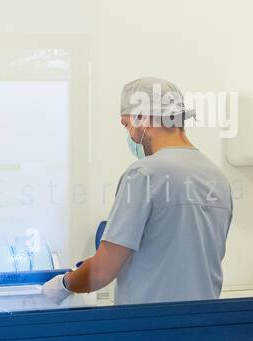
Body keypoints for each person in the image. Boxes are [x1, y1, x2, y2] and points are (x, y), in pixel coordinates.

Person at [42, 77, 233, 306]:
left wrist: (63, 284)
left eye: (126, 124)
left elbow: (101, 271)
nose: (130, 135)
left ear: (142, 118)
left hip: (149, 323)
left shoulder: (143, 174)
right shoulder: (218, 178)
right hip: (205, 322)